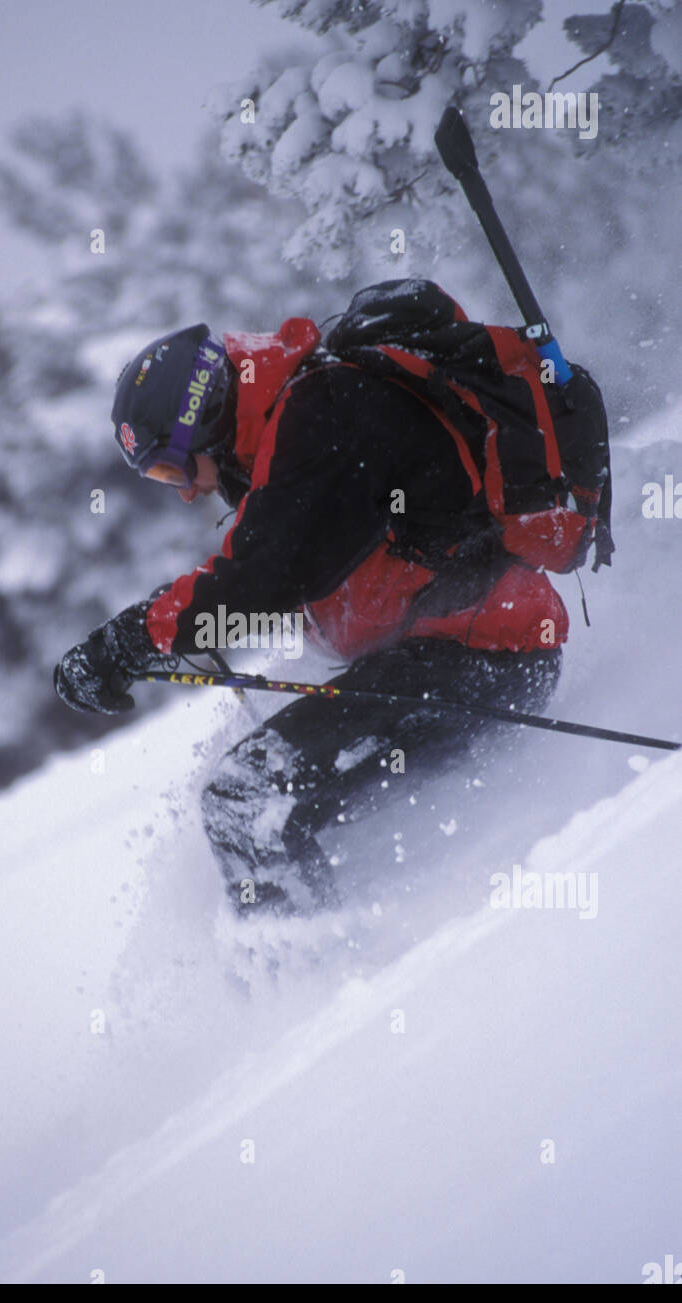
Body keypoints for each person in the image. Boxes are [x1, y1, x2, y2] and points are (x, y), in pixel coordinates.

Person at [54, 280, 610, 916]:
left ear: (202, 422)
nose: (182, 491)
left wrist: (126, 644)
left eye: (170, 469)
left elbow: (254, 586)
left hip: (480, 660)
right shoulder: (294, 430)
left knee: (248, 797)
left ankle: (305, 982)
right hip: (450, 660)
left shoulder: (322, 415)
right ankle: (369, 952)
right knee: (267, 795)